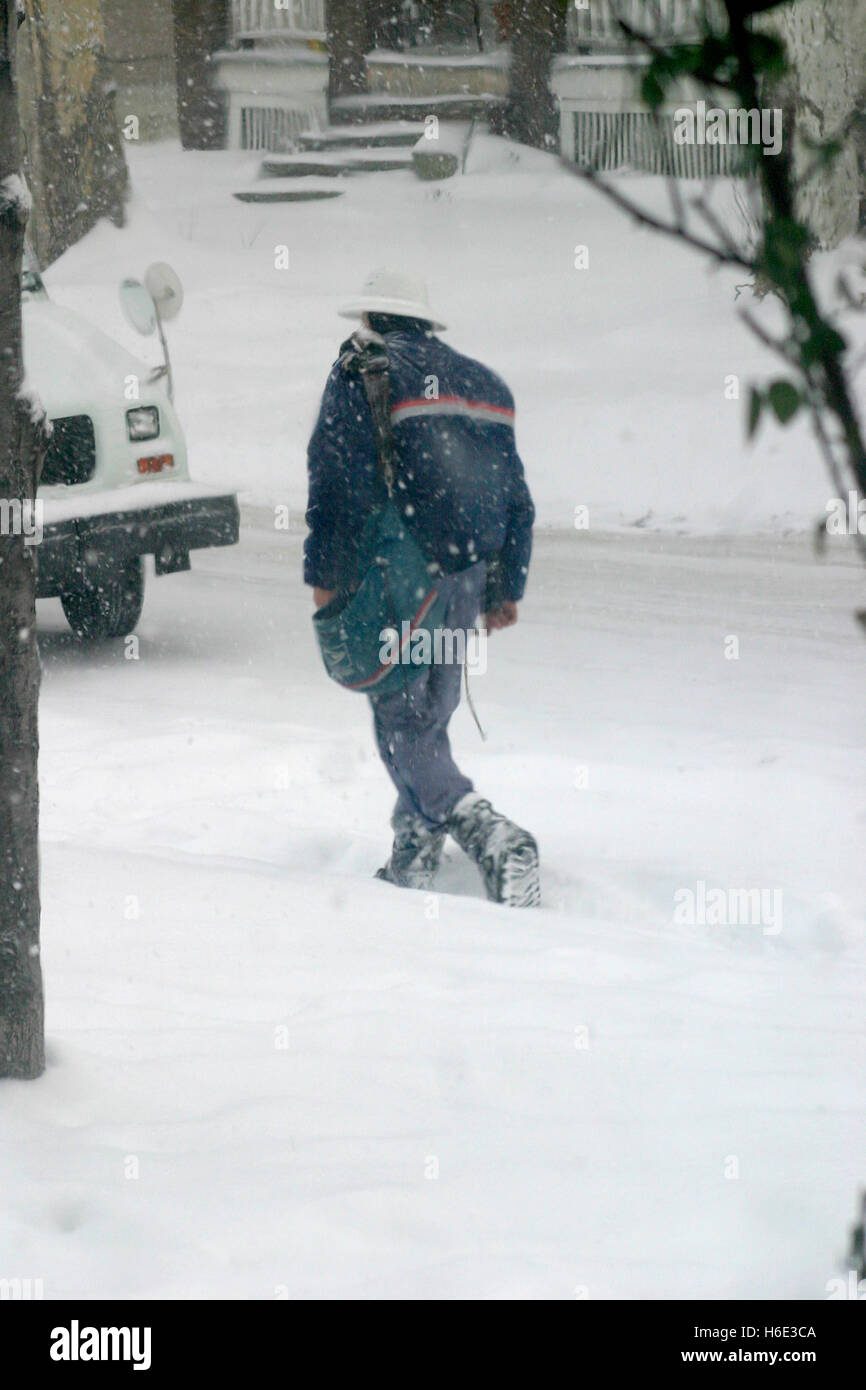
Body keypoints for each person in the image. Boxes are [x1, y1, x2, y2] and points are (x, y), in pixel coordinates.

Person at [304, 268, 539, 907]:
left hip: (399, 573)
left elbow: (334, 483)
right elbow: (516, 498)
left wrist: (324, 578)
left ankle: (495, 837)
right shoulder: (485, 383)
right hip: (466, 576)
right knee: (427, 720)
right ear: (426, 322)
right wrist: (504, 585)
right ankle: (413, 857)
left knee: (402, 723)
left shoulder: (364, 370)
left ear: (372, 320)